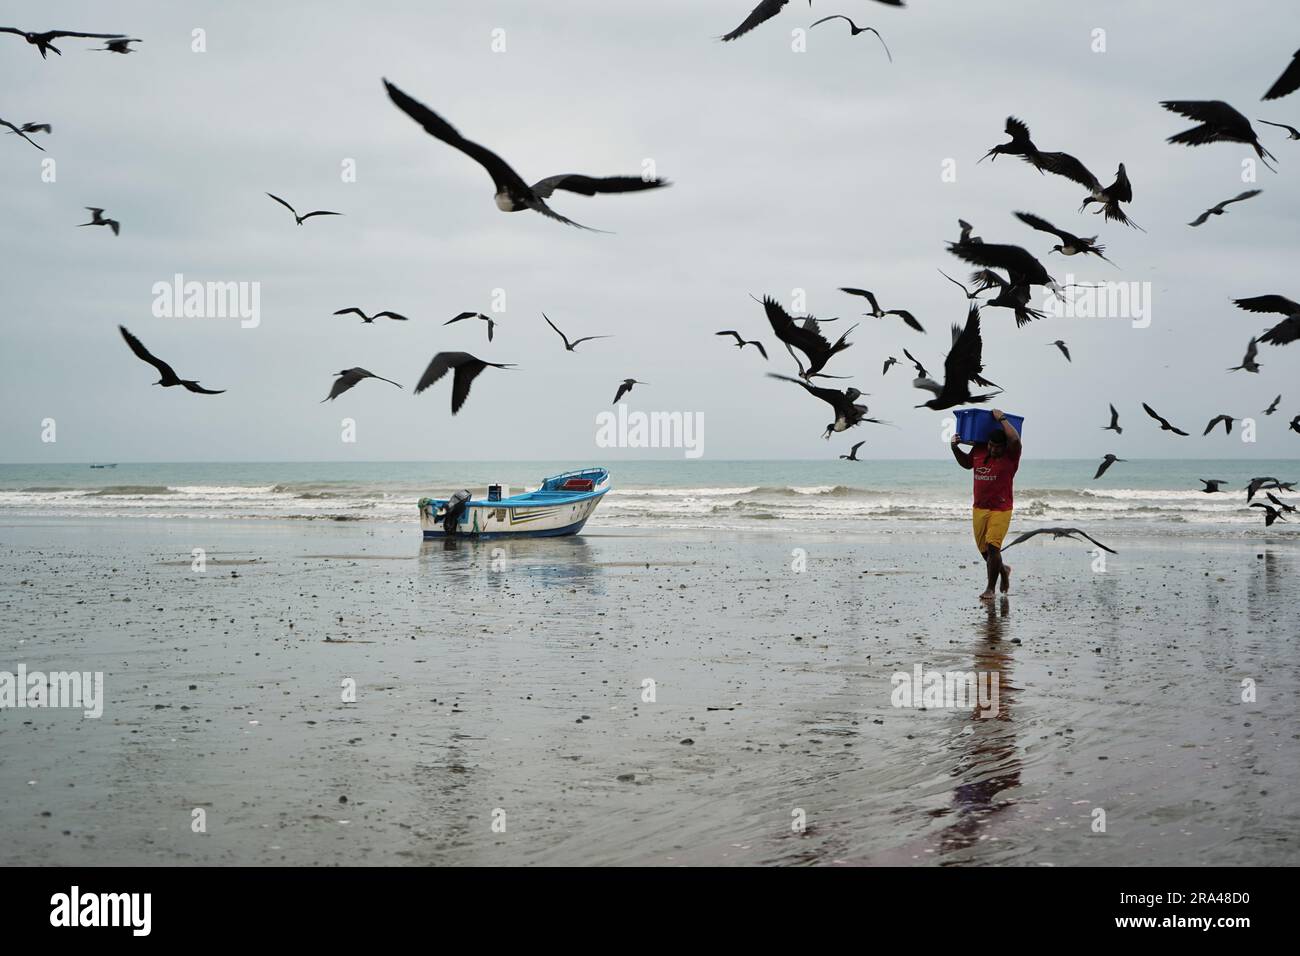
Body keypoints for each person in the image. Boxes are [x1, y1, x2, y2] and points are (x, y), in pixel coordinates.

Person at [951, 409, 1022, 601]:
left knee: (993, 548)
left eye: (997, 447)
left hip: (1001, 508)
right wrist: (955, 448)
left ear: (1003, 446)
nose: (993, 450)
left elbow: (1015, 440)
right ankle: (1004, 570)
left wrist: (1002, 418)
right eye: (991, 445)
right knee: (986, 553)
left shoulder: (1010, 455)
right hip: (979, 508)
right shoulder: (980, 449)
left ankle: (990, 588)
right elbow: (967, 463)